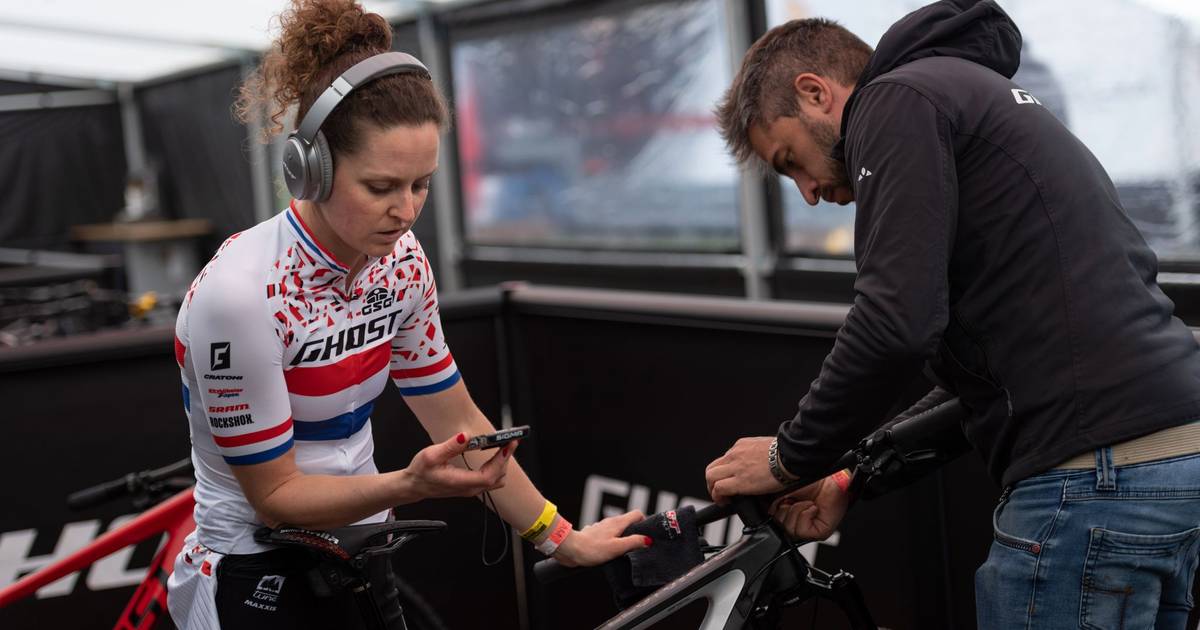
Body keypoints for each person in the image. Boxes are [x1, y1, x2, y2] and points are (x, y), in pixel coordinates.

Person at [703, 1, 1200, 628]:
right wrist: (848, 477)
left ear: (815, 93)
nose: (808, 193)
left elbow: (893, 324)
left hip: (1094, 477)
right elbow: (981, 380)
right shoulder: (962, 95)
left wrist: (788, 456)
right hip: (1169, 462)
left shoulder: (895, 101)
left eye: (790, 160)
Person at [165, 2, 649, 627]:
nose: (406, 210)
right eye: (381, 186)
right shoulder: (241, 295)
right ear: (309, 169)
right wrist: (410, 486)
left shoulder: (402, 263)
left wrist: (561, 538)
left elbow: (460, 420)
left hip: (362, 557)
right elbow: (278, 500)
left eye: (421, 184)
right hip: (251, 571)